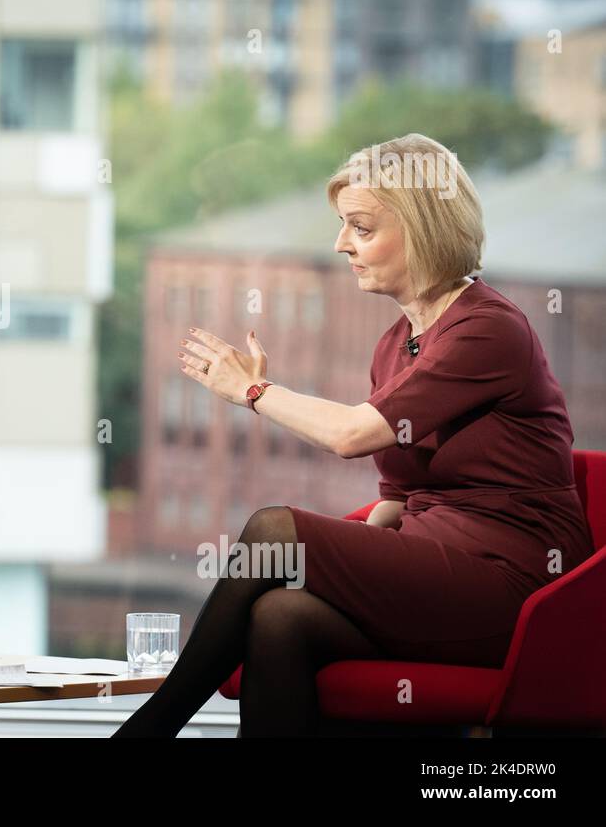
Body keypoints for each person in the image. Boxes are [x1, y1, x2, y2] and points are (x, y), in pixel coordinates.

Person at [112, 132, 595, 737]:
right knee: (280, 616)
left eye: (361, 228)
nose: (342, 245)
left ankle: (145, 732)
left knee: (273, 528)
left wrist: (254, 393)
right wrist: (354, 566)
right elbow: (397, 500)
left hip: (516, 589)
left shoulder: (488, 330)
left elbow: (350, 435)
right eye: (342, 227)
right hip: (437, 571)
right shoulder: (395, 345)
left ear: (422, 229)